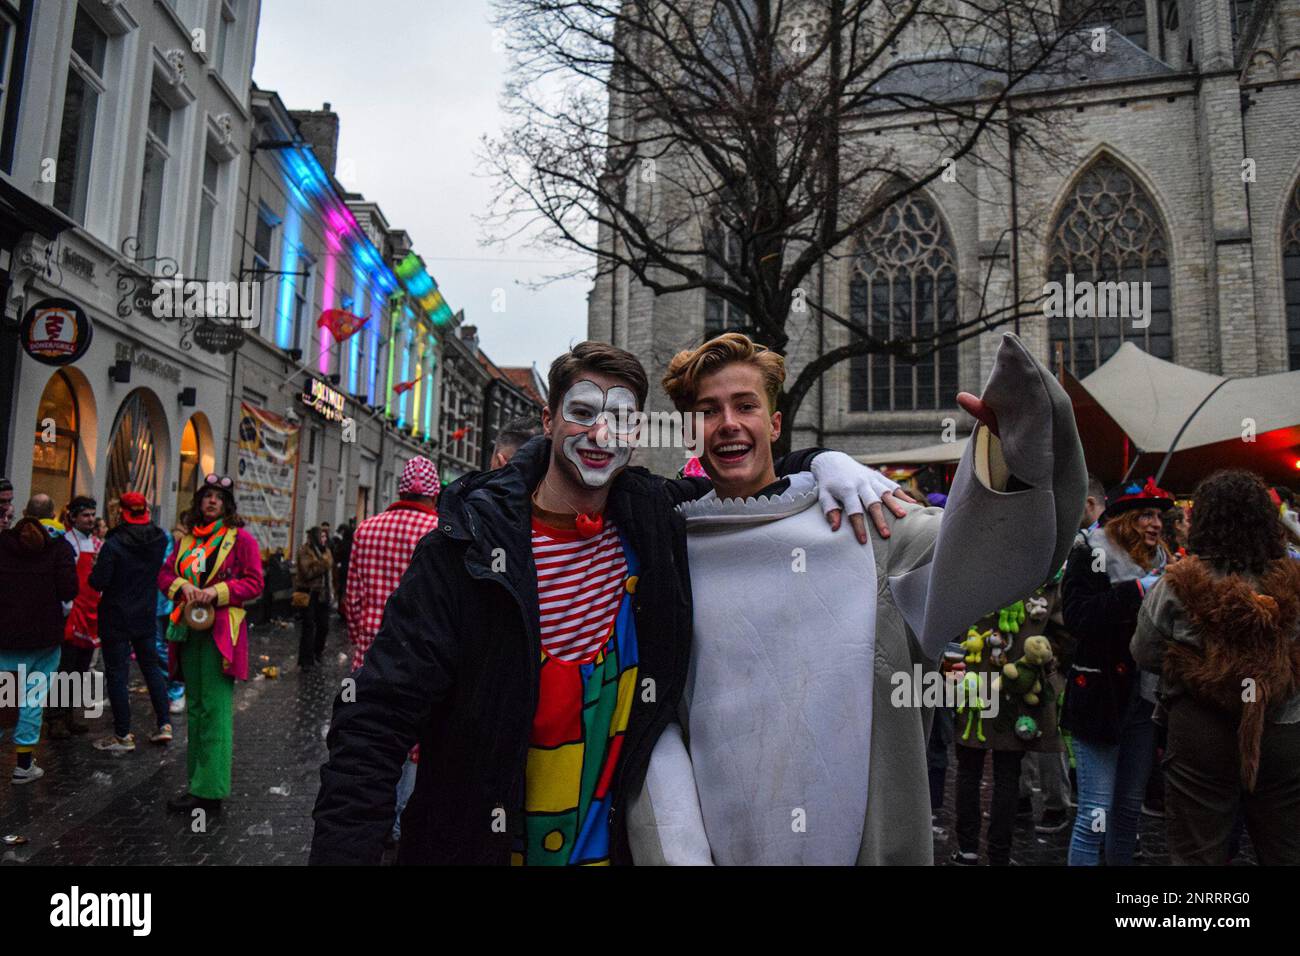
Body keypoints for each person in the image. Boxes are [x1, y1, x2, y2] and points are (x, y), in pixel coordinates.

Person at [310, 341, 893, 865]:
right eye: (582, 413)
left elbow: (743, 468)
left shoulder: (654, 522)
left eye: (619, 419)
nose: (600, 434)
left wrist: (824, 463)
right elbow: (374, 722)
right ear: (548, 420)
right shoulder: (466, 547)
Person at [625, 331, 1085, 865]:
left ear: (774, 424)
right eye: (709, 410)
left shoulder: (867, 526)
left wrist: (1011, 456)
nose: (728, 422)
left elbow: (1004, 552)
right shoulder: (670, 556)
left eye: (745, 405)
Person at [1132, 469, 1300, 865]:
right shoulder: (1294, 580)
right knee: (1287, 848)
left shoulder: (1177, 582)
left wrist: (1198, 665)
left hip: (1202, 728)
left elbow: (1144, 651)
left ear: (1204, 520)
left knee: (1197, 851)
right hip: (1283, 726)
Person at [1060, 476, 1173, 866]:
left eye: (1158, 516)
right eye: (1145, 515)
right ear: (1123, 520)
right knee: (1095, 811)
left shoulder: (1164, 564)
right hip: (1100, 698)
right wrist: (1136, 592)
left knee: (1128, 810)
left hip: (1144, 703)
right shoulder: (1089, 553)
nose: (1156, 524)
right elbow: (1077, 617)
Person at [341, 456, 442, 845]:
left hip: (371, 651)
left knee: (375, 735)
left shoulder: (366, 530)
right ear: (433, 494)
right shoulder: (437, 530)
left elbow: (352, 598)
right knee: (415, 740)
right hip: (421, 657)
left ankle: (373, 817)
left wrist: (361, 642)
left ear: (400, 489)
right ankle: (401, 822)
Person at [158, 474, 264, 815]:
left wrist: (216, 593)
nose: (212, 501)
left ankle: (210, 790)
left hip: (221, 635)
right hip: (189, 630)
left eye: (219, 497)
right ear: (198, 502)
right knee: (197, 708)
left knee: (215, 710)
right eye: (207, 496)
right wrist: (181, 587)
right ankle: (197, 784)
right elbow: (163, 574)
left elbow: (254, 583)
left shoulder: (241, 540)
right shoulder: (186, 540)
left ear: (227, 505)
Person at [0, 497, 78, 783]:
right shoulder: (59, 548)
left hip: (7, 634)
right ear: (52, 515)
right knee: (33, 697)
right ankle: (23, 764)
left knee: (3, 697)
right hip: (44, 635)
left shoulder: (4, 544)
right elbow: (69, 590)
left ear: (23, 513)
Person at [88, 493, 173, 752]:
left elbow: (98, 582)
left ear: (122, 512)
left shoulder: (114, 542)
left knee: (117, 673)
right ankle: (165, 724)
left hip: (116, 615)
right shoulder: (159, 539)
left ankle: (123, 734)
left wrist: (96, 568)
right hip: (145, 612)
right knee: (151, 669)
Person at [46, 496, 101, 739]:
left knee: (81, 667)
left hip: (92, 613)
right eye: (85, 515)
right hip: (72, 611)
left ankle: (69, 714)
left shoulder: (98, 544)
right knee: (65, 666)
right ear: (74, 517)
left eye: (92, 515)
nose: (90, 519)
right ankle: (55, 717)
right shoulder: (66, 543)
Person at [156, 527, 187, 713]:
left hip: (167, 604)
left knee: (164, 647)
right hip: (151, 603)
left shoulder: (164, 538)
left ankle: (176, 689)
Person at [295, 525, 334, 669]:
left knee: (324, 626)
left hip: (323, 594)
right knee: (308, 626)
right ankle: (306, 660)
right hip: (308, 593)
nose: (323, 539)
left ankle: (318, 652)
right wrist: (323, 563)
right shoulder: (304, 551)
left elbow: (329, 567)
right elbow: (308, 572)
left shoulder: (325, 551)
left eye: (325, 537)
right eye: (321, 537)